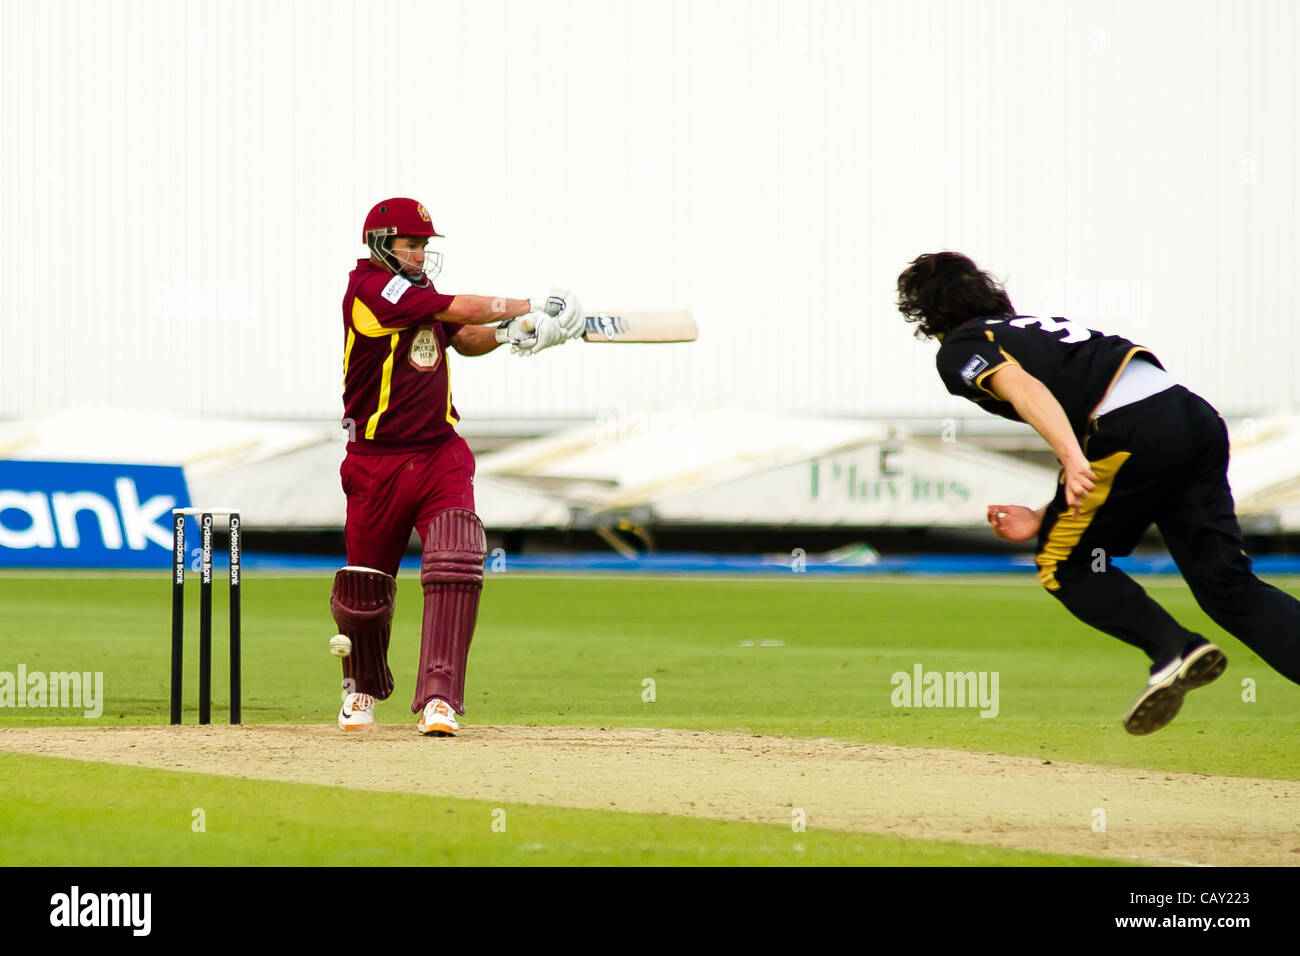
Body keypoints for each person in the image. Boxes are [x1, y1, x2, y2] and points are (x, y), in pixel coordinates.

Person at [897, 251, 1300, 734]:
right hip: (1192, 417)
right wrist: (1044, 513)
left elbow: (1026, 390)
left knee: (1061, 563)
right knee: (1227, 585)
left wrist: (1069, 458)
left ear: (925, 315)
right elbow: (1107, 425)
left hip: (1133, 432)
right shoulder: (1029, 327)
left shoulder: (962, 345)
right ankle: (1181, 648)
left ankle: (1175, 649)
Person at [330, 196, 581, 736]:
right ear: (381, 244)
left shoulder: (417, 292)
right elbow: (460, 309)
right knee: (364, 593)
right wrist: (529, 303)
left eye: (424, 245)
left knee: (457, 558)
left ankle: (440, 700)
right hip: (375, 461)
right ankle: (363, 689)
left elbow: (462, 337)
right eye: (411, 244)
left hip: (438, 452)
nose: (421, 253)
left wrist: (514, 333)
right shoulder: (370, 289)